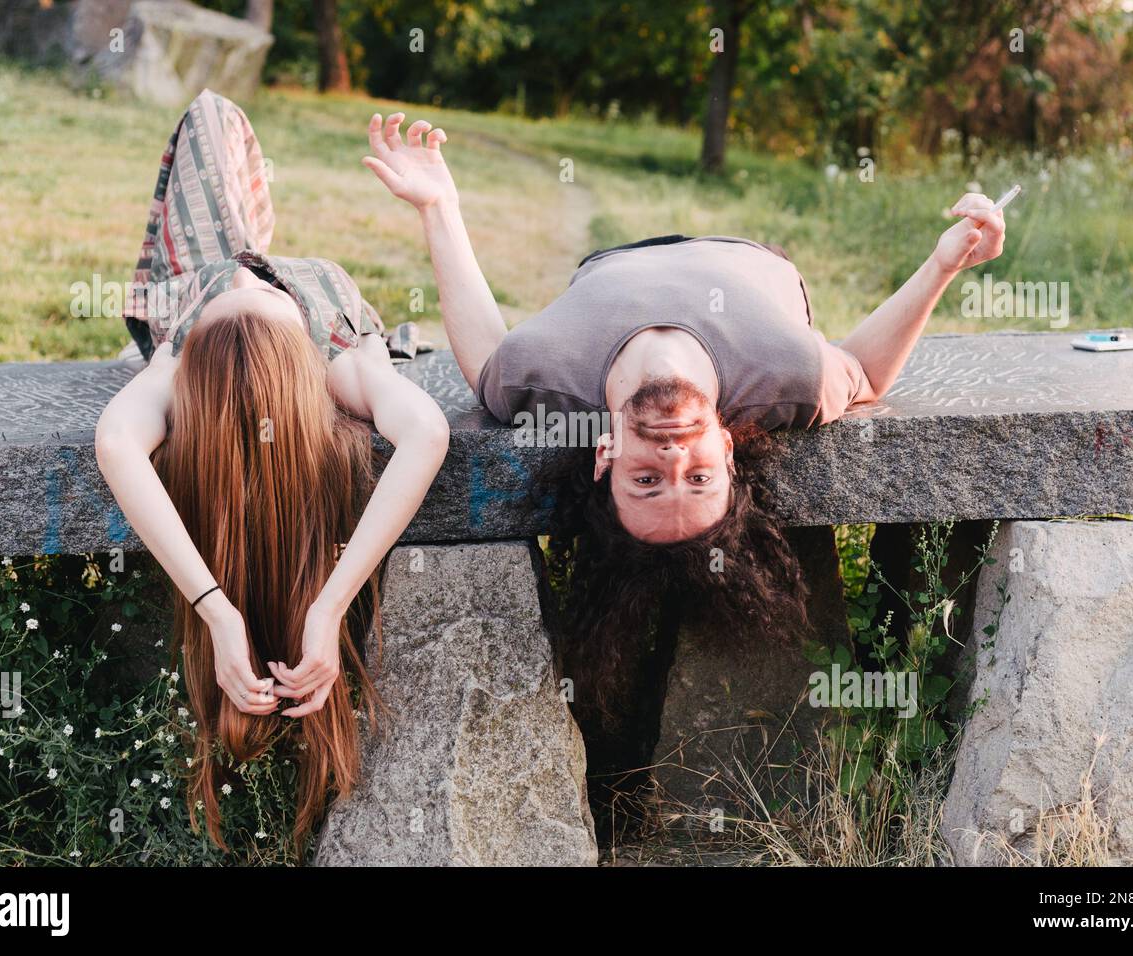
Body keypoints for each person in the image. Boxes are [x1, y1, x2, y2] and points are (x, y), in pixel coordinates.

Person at [360, 111, 1006, 722]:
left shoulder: (537, 379)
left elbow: (480, 356)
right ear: (726, 451)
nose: (672, 460)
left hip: (613, 261)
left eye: (646, 482)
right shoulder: (788, 375)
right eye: (697, 480)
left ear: (606, 454)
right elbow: (864, 373)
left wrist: (438, 207)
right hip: (751, 253)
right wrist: (945, 263)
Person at [96, 92, 449, 849]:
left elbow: (119, 443)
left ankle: (226, 252)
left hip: (200, 294)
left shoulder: (186, 349)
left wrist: (220, 613)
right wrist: (324, 607)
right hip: (237, 310)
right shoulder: (337, 363)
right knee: (213, 116)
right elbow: (425, 431)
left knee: (210, 114)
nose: (246, 294)